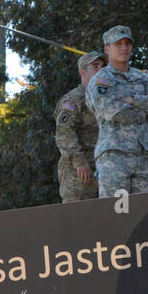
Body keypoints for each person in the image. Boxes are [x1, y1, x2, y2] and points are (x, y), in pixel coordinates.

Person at [85, 25, 148, 198]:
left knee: (146, 214)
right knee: (118, 214)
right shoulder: (101, 81)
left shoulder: (144, 78)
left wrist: (134, 100)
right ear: (107, 49)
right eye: (118, 44)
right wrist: (147, 108)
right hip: (114, 156)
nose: (124, 48)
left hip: (144, 155)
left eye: (127, 43)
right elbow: (115, 112)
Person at [55, 51, 105, 202]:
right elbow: (64, 133)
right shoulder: (72, 99)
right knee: (77, 219)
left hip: (103, 168)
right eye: (95, 66)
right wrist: (79, 162)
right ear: (83, 72)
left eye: (103, 66)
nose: (101, 70)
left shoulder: (105, 97)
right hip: (79, 173)